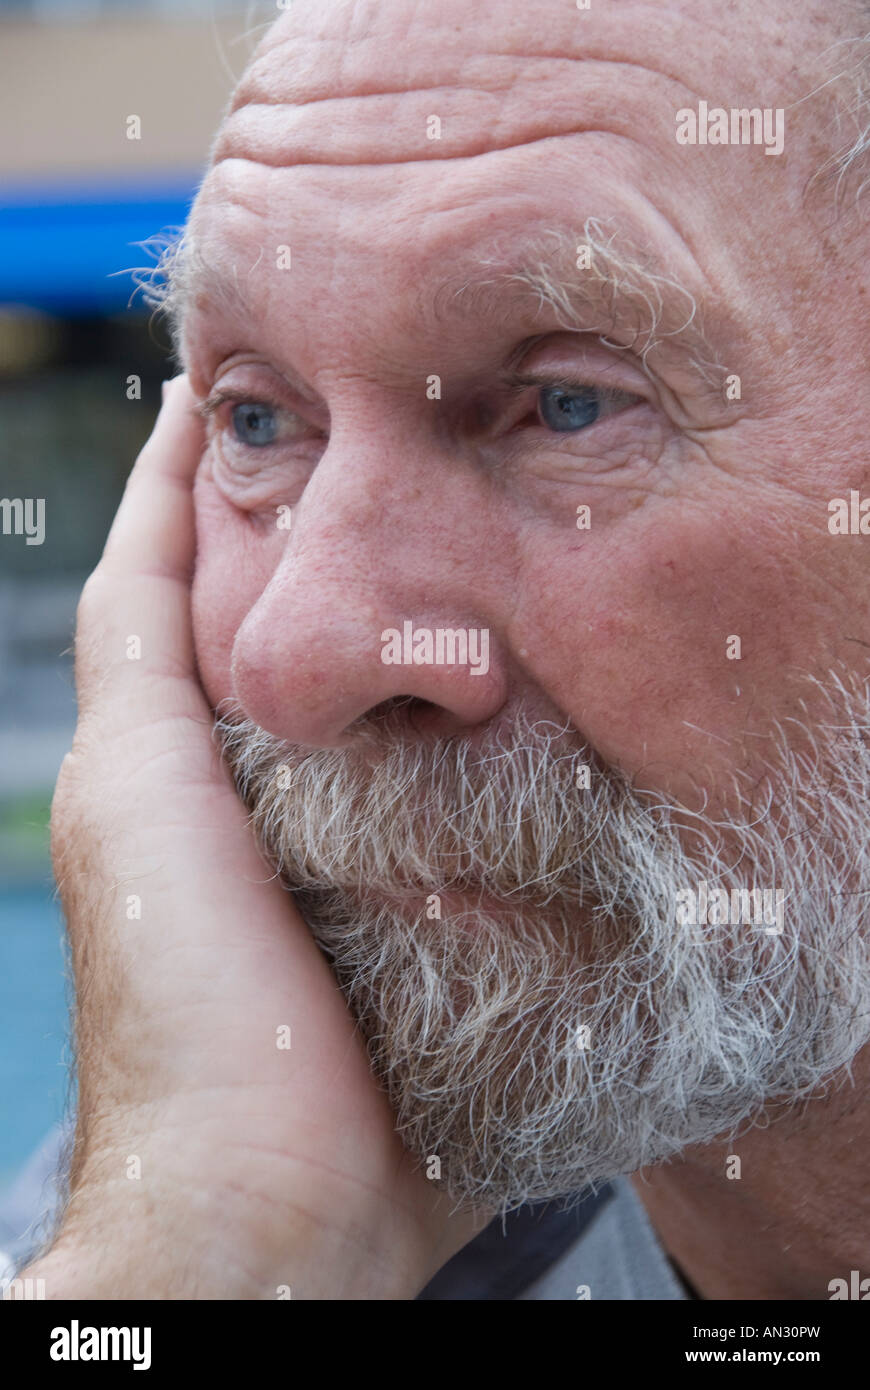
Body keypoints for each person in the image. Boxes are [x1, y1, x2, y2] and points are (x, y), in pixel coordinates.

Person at [17, 0, 870, 1299]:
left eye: (566, 406)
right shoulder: (192, 1185)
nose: (293, 658)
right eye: (254, 420)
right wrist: (220, 1247)